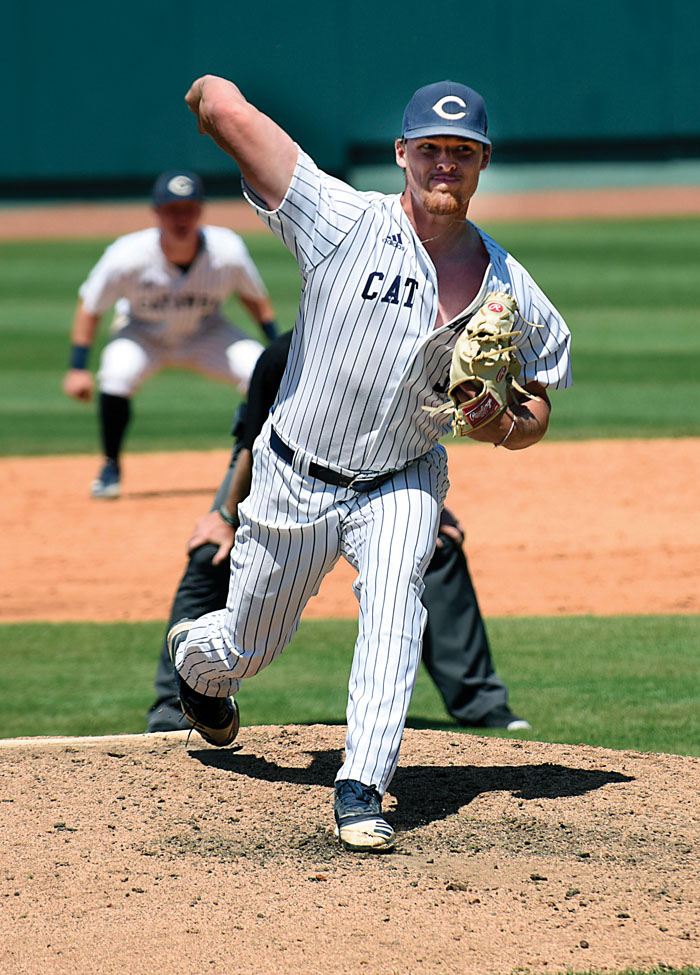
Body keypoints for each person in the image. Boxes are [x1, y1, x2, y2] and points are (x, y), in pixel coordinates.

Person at [168, 76, 571, 853]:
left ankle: (361, 783)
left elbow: (537, 409)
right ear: (402, 155)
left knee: (395, 608)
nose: (444, 165)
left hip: (403, 476)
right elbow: (222, 107)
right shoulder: (340, 219)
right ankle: (198, 661)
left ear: (483, 163)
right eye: (431, 150)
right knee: (248, 644)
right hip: (293, 478)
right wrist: (207, 95)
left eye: (461, 152)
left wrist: (503, 421)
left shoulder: (511, 289)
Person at [147, 330, 530, 735]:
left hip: (380, 477)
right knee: (212, 553)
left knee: (436, 548)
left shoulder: (406, 352)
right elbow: (250, 443)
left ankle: (482, 701)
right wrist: (226, 518)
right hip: (277, 471)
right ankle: (175, 703)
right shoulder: (282, 354)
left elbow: (405, 446)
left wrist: (434, 509)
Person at [62, 169, 278, 499]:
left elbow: (256, 300)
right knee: (116, 374)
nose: (181, 218)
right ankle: (110, 466)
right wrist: (77, 367)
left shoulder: (227, 250)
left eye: (189, 209)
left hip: (207, 332)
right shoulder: (127, 255)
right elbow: (90, 305)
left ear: (200, 211)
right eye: (173, 210)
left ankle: (260, 466)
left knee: (258, 373)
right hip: (141, 333)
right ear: (157, 212)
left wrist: (277, 352)